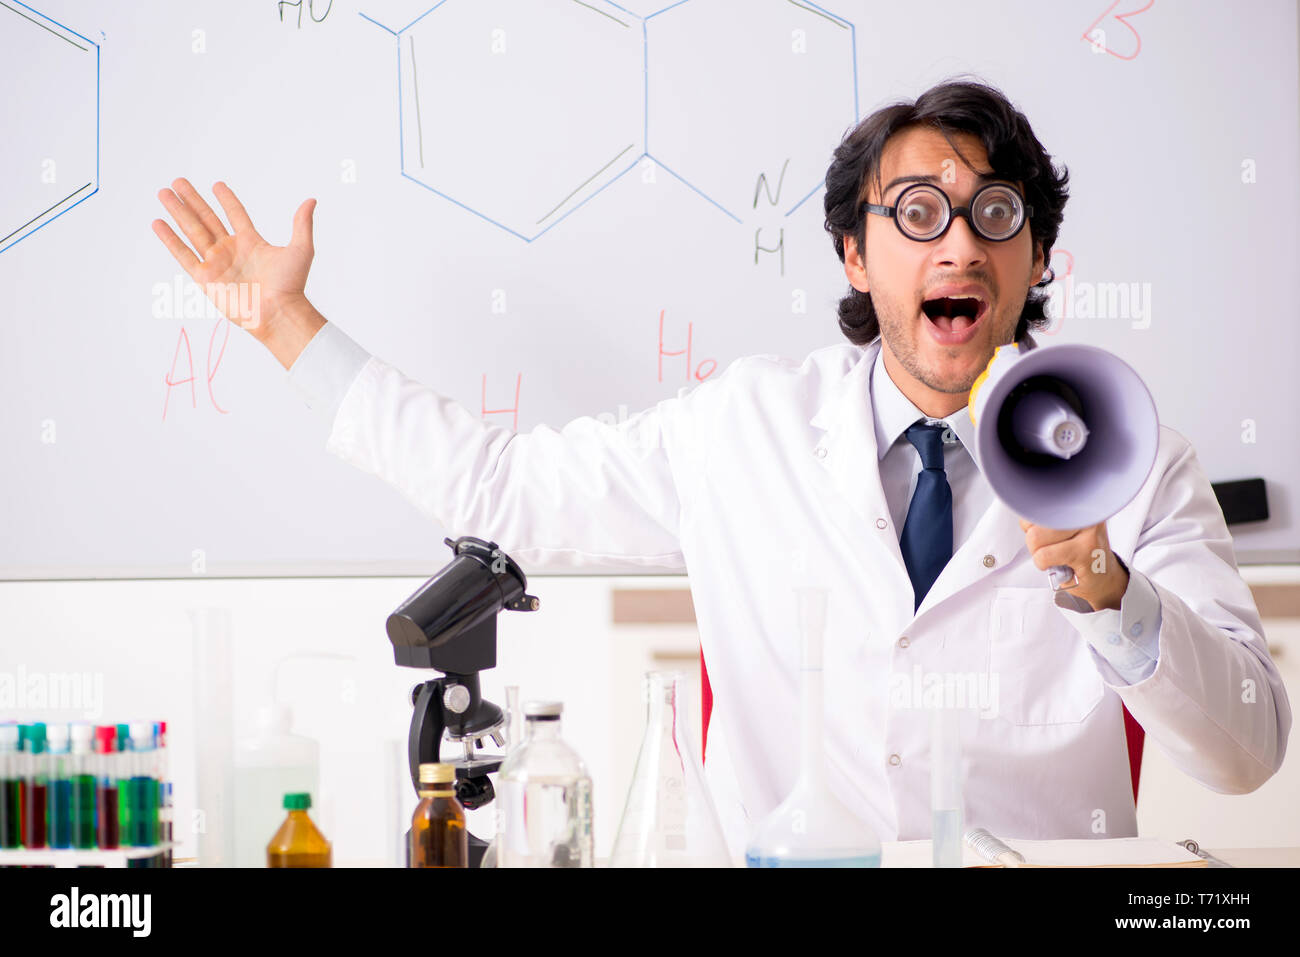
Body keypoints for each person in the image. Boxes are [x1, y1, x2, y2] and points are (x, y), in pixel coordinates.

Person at [152, 80, 1289, 852]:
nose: (958, 243)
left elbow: (1248, 752)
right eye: (916, 213)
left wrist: (1112, 592)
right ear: (854, 253)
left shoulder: (1132, 461)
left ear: (1036, 255)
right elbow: (501, 489)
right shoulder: (745, 427)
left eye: (995, 214)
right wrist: (286, 324)